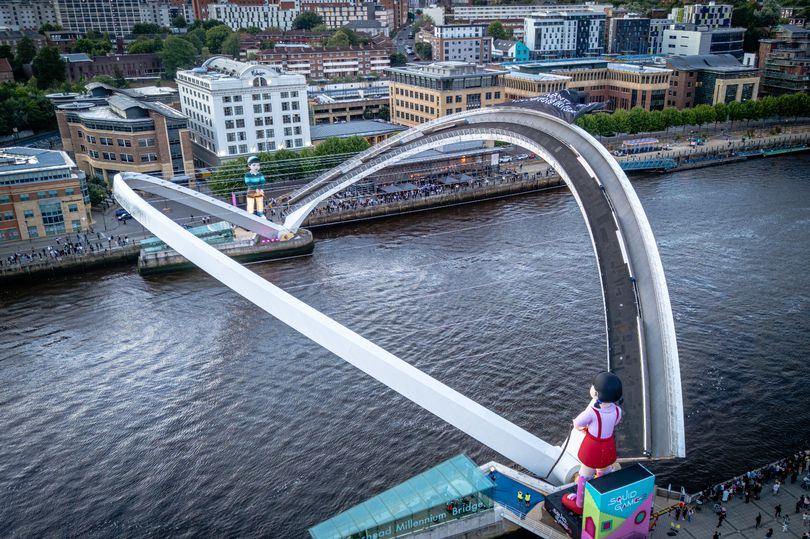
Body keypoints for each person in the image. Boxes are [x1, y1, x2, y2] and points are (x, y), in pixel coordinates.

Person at [561, 372, 623, 515]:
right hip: (608, 445)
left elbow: (577, 423)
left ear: (596, 393)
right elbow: (614, 422)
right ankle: (601, 493)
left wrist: (584, 428)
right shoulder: (617, 411)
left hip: (593, 446)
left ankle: (580, 504)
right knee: (605, 469)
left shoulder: (591, 413)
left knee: (585, 472)